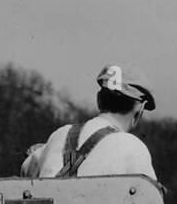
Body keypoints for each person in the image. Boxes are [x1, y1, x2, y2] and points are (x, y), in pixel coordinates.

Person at [29, 64, 157, 180]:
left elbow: (27, 168)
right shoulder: (134, 148)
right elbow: (150, 199)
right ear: (139, 109)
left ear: (99, 100)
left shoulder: (59, 135)